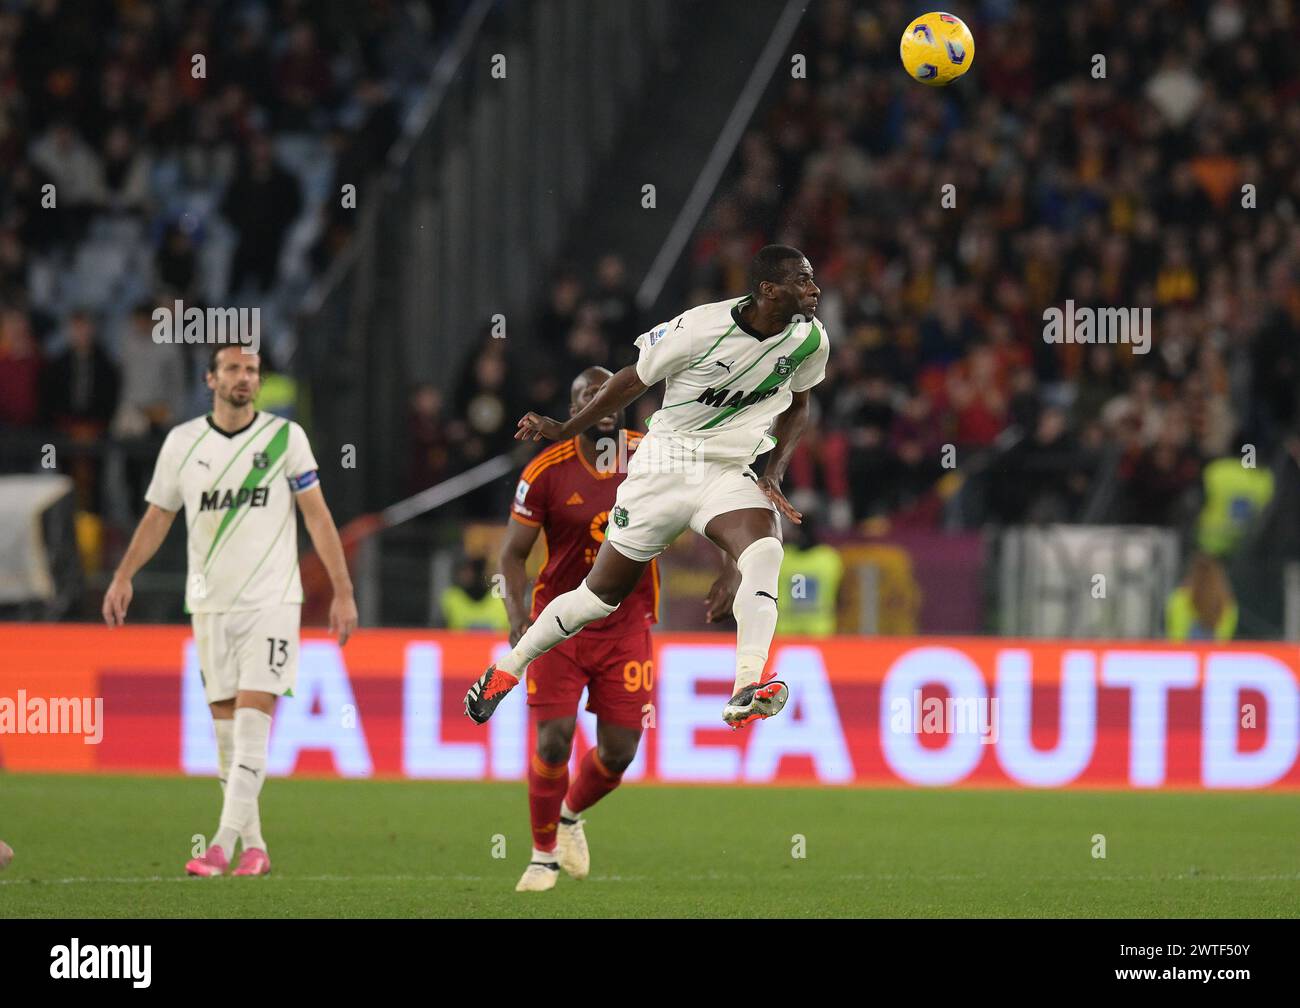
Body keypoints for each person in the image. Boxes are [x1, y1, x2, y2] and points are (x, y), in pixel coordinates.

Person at [465, 245, 830, 730]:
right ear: (768, 290)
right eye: (802, 281)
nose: (814, 289)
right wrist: (566, 428)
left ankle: (746, 684)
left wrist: (774, 471)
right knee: (598, 596)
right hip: (664, 467)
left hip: (727, 468)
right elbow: (629, 382)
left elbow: (798, 404)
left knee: (765, 551)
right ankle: (506, 670)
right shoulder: (699, 328)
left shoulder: (810, 340)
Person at [101, 344, 357, 877]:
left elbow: (317, 517)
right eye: (235, 369)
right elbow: (157, 518)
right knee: (226, 739)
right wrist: (124, 574)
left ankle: (219, 844)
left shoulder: (286, 439)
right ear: (210, 379)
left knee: (250, 724)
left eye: (253, 371)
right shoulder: (182, 442)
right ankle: (256, 848)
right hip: (210, 605)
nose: (246, 378)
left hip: (272, 602)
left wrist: (342, 590)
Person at [499, 366, 740, 891]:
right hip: (558, 625)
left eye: (606, 391)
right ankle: (541, 857)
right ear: (574, 408)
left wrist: (731, 566)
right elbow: (512, 556)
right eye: (586, 394)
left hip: (626, 624)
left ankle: (567, 818)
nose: (600, 400)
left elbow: (714, 497)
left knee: (619, 751)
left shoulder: (654, 453)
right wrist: (517, 618)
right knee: (554, 740)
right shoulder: (546, 471)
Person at [1166, 553, 1237, 641]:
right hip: (1213, 653)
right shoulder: (1226, 602)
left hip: (1185, 652)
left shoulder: (1180, 598)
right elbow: (1224, 637)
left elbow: (1175, 635)